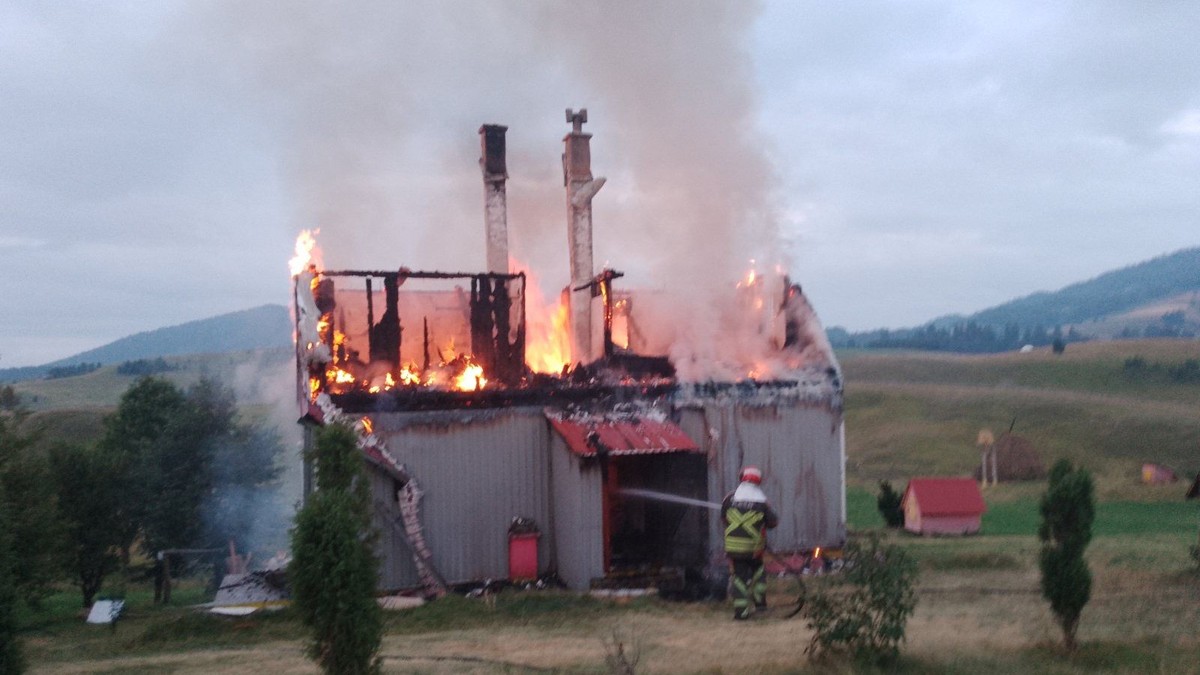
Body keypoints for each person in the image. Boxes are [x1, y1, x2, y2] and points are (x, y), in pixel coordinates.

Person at [722, 465, 779, 620]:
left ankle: (741, 613)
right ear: (758, 482)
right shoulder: (762, 503)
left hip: (733, 548)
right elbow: (773, 523)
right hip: (754, 550)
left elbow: (724, 520)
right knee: (758, 573)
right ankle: (760, 606)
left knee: (739, 578)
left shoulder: (729, 499)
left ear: (741, 479)